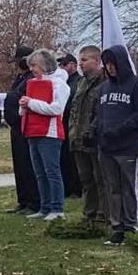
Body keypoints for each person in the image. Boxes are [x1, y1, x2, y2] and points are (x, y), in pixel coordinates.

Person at [96, 45, 138, 246]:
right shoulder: (103, 88)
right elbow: (99, 115)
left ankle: (131, 225)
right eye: (107, 64)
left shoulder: (137, 85)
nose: (111, 68)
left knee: (129, 187)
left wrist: (121, 129)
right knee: (113, 188)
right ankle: (116, 225)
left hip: (127, 146)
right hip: (106, 148)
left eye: (114, 63)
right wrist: (95, 132)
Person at [19, 49, 71, 221]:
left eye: (34, 65)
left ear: (44, 64)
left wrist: (31, 103)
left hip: (50, 133)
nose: (32, 69)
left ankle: (57, 208)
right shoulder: (33, 83)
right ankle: (45, 206)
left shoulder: (59, 84)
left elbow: (56, 108)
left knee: (52, 171)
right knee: (39, 172)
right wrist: (24, 106)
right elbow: (29, 108)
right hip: (32, 131)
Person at [66, 45, 107, 224]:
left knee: (101, 179)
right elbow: (75, 110)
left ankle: (102, 214)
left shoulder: (105, 82)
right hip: (78, 137)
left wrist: (92, 131)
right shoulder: (81, 83)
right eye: (79, 60)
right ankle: (89, 212)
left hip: (95, 139)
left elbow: (101, 112)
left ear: (96, 61)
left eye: (84, 60)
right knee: (86, 178)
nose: (80, 64)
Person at [3, 46, 41, 215]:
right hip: (15, 126)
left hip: (25, 124)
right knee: (19, 164)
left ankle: (33, 201)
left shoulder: (33, 78)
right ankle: (23, 199)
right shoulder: (20, 78)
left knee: (28, 164)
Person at [57, 53, 83, 198]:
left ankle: (76, 188)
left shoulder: (78, 82)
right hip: (61, 124)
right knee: (63, 158)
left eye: (65, 64)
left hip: (72, 124)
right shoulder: (62, 82)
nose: (62, 67)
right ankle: (66, 187)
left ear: (73, 65)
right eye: (61, 65)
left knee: (73, 158)